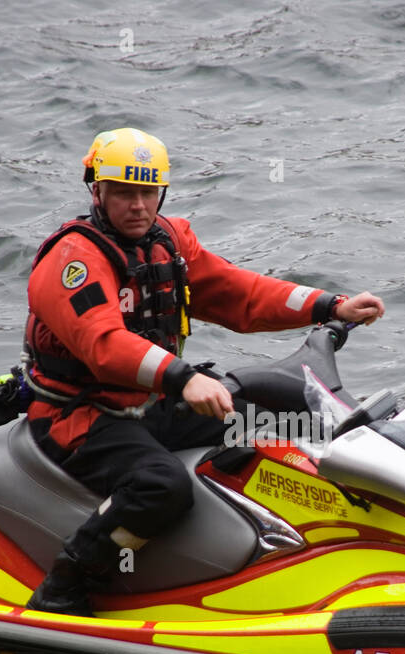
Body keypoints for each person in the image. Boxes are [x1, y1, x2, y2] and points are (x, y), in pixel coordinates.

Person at [22, 127, 385, 614]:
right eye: (124, 193)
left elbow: (243, 294)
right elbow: (103, 344)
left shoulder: (168, 244)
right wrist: (184, 379)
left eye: (147, 192)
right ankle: (65, 584)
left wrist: (330, 306)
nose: (138, 206)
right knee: (160, 487)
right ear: (97, 191)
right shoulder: (73, 261)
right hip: (79, 416)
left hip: (150, 404)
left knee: (266, 408)